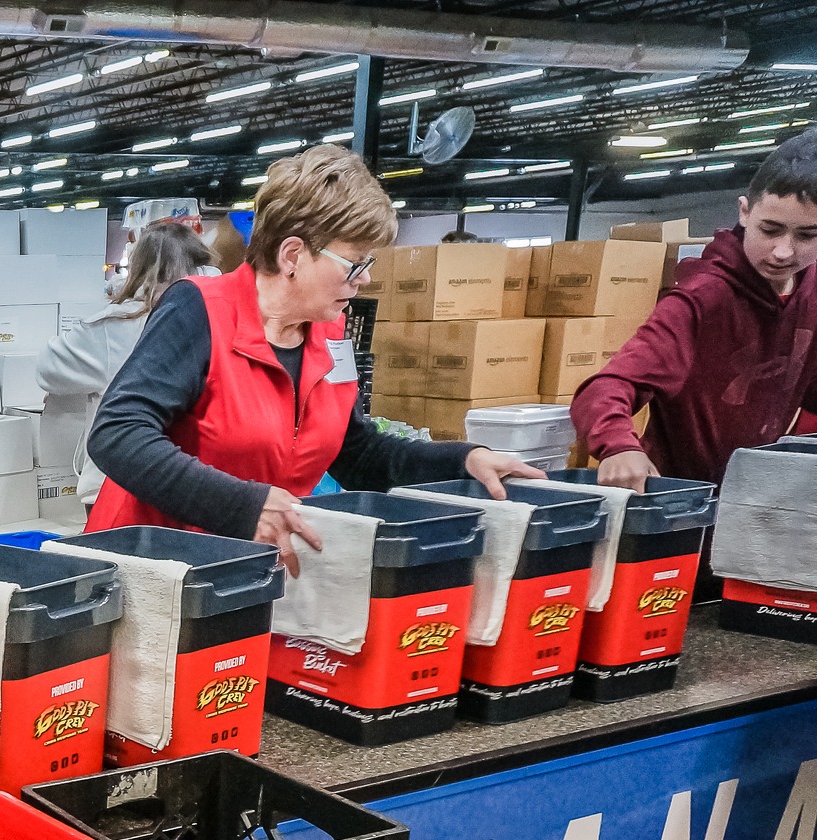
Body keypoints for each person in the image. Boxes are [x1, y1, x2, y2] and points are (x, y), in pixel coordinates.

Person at [82, 145, 543, 572]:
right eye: (355, 263)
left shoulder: (331, 334)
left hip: (251, 571)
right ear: (293, 255)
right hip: (159, 567)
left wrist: (463, 461)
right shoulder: (200, 310)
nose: (364, 280)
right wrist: (242, 506)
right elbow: (117, 434)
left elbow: (356, 453)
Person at [571, 130, 817, 492]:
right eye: (771, 230)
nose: (783, 251)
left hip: (757, 499)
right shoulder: (702, 298)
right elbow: (607, 386)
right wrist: (618, 446)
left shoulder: (811, 290)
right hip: (680, 502)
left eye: (807, 236)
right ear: (745, 212)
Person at [37, 221, 212, 509]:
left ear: (137, 266)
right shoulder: (221, 320)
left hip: (117, 485)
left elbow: (47, 369)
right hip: (194, 485)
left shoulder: (114, 326)